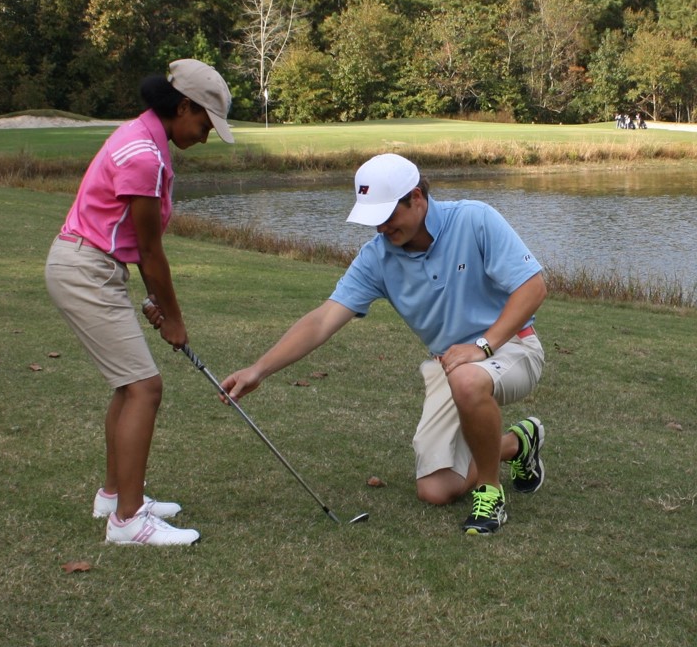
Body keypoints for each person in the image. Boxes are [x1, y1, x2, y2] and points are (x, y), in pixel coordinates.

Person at [219, 154, 549, 536]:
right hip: (453, 365)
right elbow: (323, 319)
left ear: (417, 197)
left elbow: (533, 286)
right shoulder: (376, 257)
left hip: (512, 348)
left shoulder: (475, 219)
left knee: (468, 381)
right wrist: (258, 369)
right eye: (374, 217)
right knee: (436, 490)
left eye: (389, 214)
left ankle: (490, 494)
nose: (381, 226)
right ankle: (518, 443)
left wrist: (484, 345)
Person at [45, 59, 236, 546]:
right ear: (185, 106)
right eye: (205, 123)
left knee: (129, 387)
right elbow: (151, 252)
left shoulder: (144, 138)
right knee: (145, 388)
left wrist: (155, 302)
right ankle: (128, 522)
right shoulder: (144, 155)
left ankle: (114, 496)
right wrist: (173, 318)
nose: (207, 135)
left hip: (94, 268)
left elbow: (136, 247)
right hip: (86, 269)